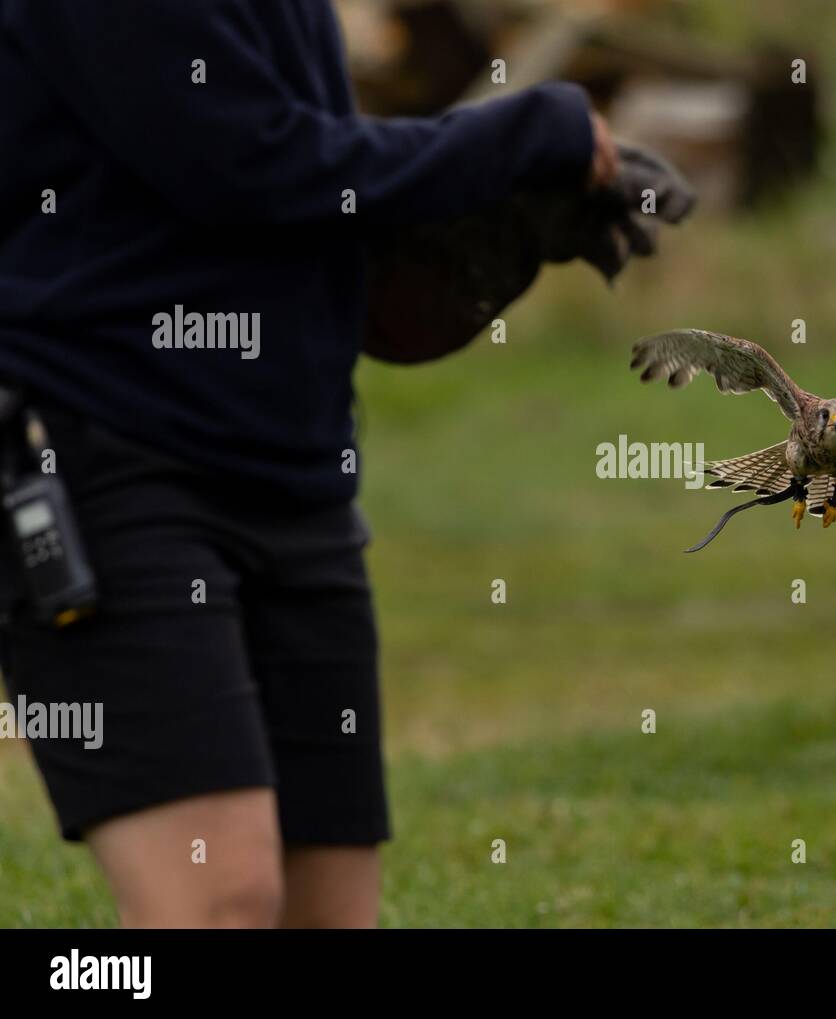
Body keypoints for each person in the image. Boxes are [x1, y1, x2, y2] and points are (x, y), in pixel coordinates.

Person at [0, 0, 619, 928]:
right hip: (103, 461)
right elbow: (249, 165)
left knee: (327, 914)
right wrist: (528, 136)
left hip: (295, 471)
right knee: (218, 902)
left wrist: (461, 200)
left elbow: (292, 150)